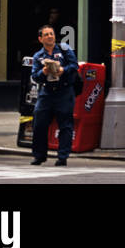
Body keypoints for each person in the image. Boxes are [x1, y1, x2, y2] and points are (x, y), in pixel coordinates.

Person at [30, 24, 78, 167]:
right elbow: (35, 76)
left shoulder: (64, 49)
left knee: (65, 125)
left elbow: (74, 65)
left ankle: (62, 157)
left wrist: (63, 69)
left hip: (64, 91)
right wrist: (43, 72)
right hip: (47, 92)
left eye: (52, 33)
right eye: (46, 34)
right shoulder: (38, 56)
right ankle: (39, 156)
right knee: (39, 124)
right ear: (40, 39)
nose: (50, 36)